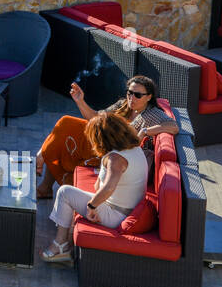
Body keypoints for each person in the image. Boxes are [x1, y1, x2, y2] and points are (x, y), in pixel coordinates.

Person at [35, 74, 176, 199]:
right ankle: (44, 171)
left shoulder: (151, 113)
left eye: (137, 95)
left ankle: (43, 165)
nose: (131, 98)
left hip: (112, 156)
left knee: (66, 138)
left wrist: (145, 131)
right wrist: (80, 101)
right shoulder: (123, 104)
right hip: (102, 143)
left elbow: (174, 126)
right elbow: (96, 118)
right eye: (129, 93)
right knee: (66, 125)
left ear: (149, 97)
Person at [41, 112, 148, 262]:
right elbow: (101, 185)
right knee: (72, 193)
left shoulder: (115, 159)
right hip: (125, 209)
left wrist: (92, 206)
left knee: (64, 192)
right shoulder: (134, 148)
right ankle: (65, 236)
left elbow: (108, 187)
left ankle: (61, 245)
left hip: (116, 215)